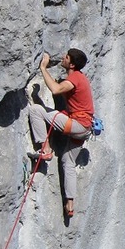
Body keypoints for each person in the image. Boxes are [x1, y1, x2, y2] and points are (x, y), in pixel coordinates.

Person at [28, 48, 95, 217]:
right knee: (68, 160)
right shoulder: (80, 77)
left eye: (66, 57)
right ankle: (70, 203)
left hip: (77, 125)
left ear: (71, 64)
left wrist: (43, 68)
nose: (63, 58)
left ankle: (45, 149)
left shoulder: (75, 78)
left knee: (36, 110)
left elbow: (56, 90)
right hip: (85, 128)